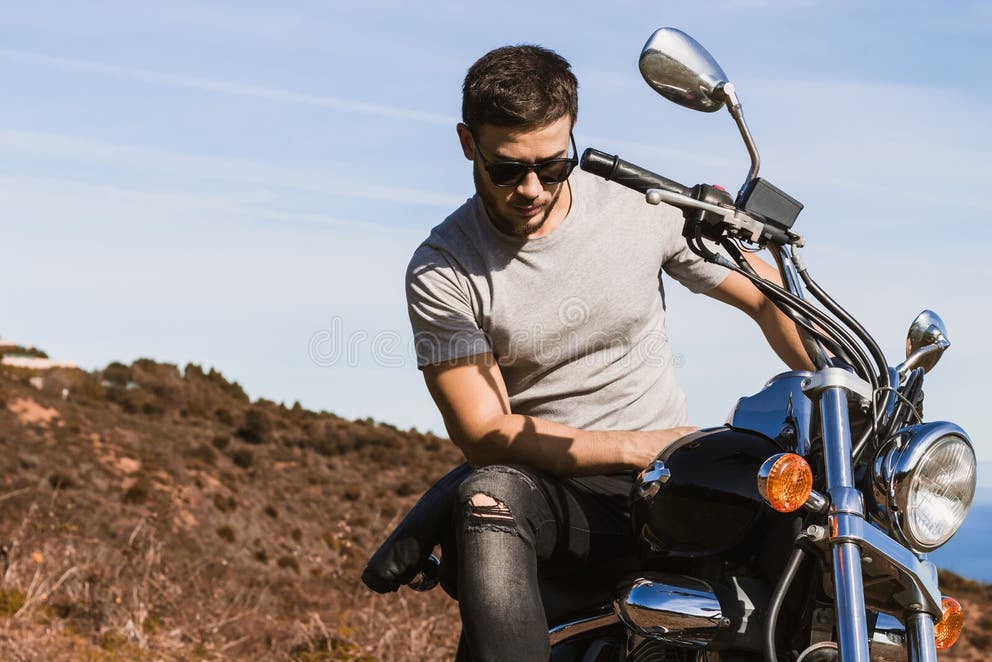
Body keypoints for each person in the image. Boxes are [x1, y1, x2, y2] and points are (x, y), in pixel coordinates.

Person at [404, 44, 811, 661]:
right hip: (556, 494)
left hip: (671, 483)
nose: (532, 189)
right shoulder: (444, 268)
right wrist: (635, 444)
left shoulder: (639, 204)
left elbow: (766, 296)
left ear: (573, 137)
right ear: (468, 143)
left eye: (554, 165)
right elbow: (485, 432)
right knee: (487, 497)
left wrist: (836, 376)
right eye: (507, 169)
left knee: (811, 507)